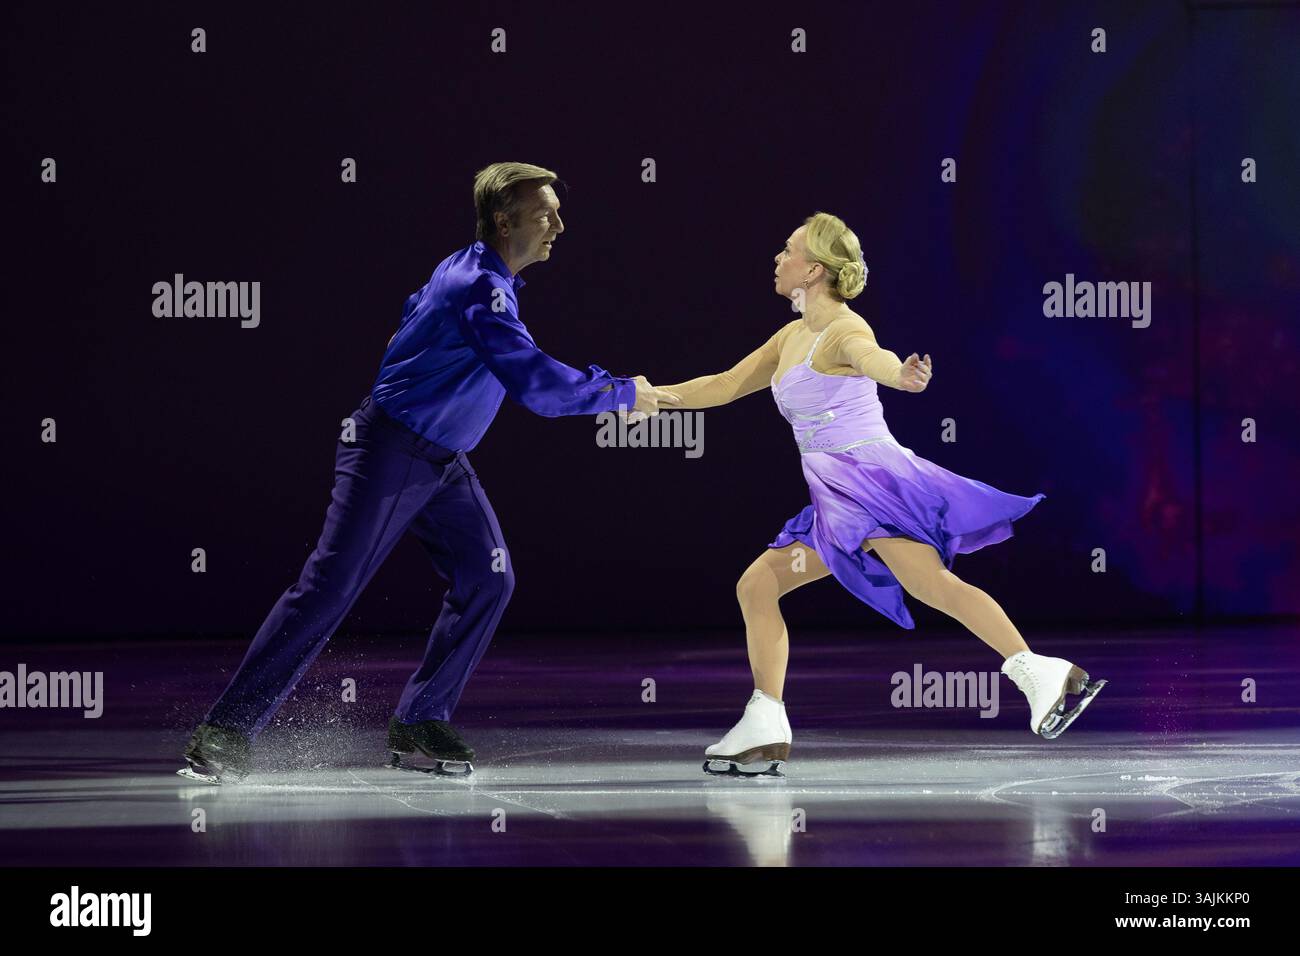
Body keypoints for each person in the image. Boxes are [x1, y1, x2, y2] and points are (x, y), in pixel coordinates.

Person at [179, 162, 679, 783]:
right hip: (392, 449)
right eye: (544, 213)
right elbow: (536, 387)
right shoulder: (480, 288)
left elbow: (418, 318)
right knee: (330, 587)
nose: (559, 224)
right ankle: (225, 731)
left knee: (487, 577)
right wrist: (622, 393)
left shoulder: (472, 269)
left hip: (441, 461)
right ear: (504, 220)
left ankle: (420, 720)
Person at [659, 212, 1105, 777]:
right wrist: (643, 395)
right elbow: (723, 385)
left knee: (921, 583)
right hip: (837, 494)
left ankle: (1036, 671)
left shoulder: (845, 330)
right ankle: (766, 720)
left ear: (813, 269)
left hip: (870, 481)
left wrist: (902, 377)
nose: (777, 258)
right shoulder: (792, 335)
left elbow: (877, 360)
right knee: (771, 584)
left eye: (787, 250)